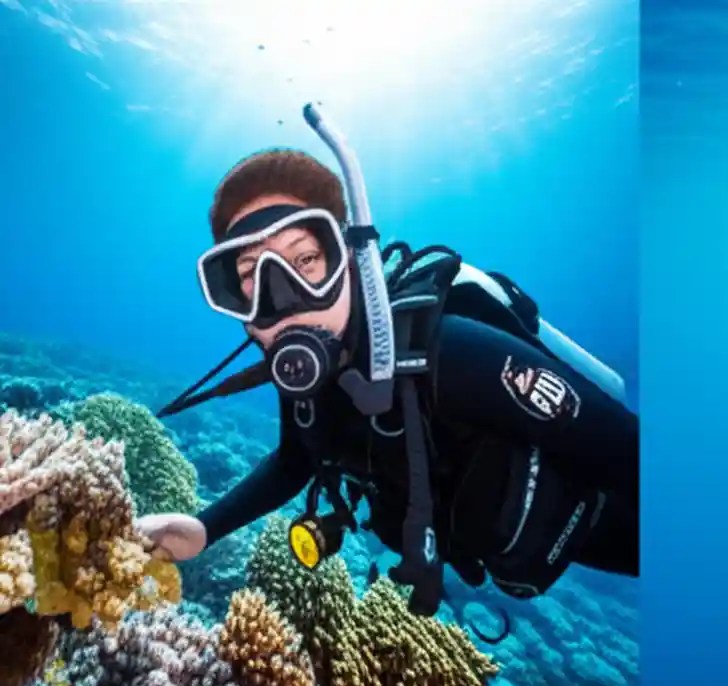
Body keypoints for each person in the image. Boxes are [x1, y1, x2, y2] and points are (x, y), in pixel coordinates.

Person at [136, 108, 638, 626]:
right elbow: (295, 460)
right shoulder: (310, 381)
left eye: (306, 261)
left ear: (351, 261)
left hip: (605, 521)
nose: (282, 301)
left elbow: (631, 454)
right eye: (249, 278)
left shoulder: (454, 354)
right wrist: (205, 528)